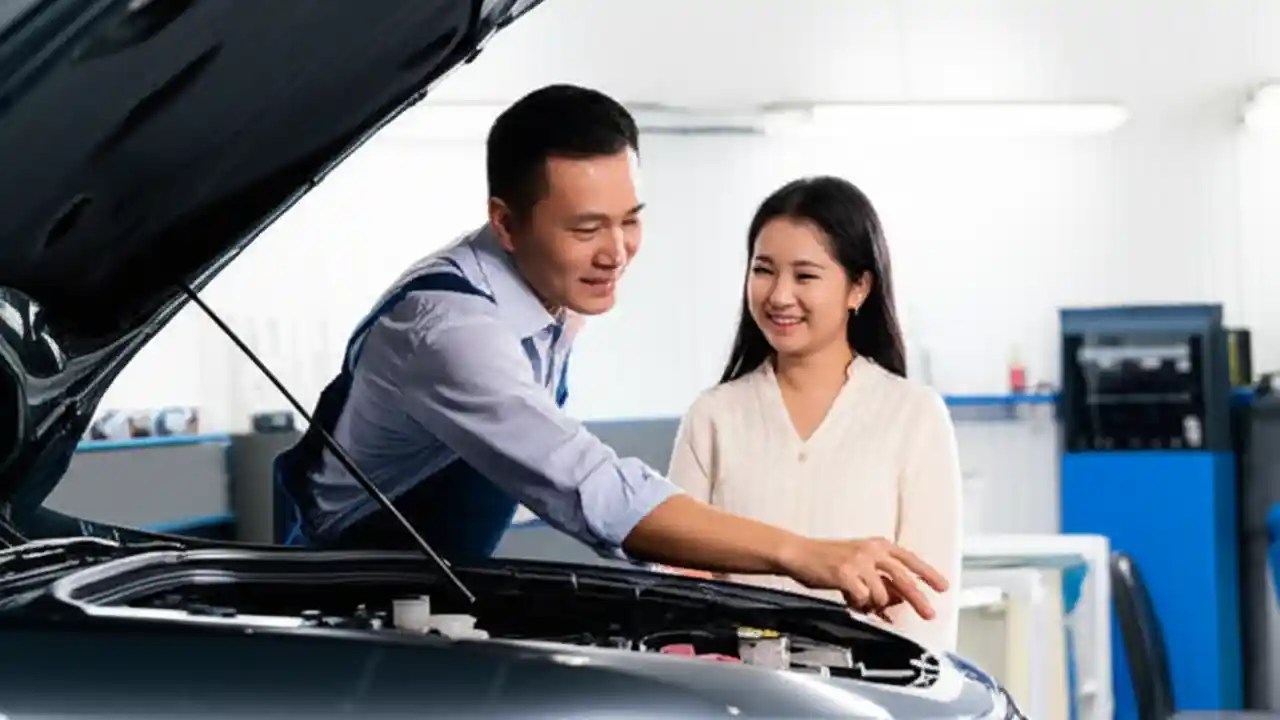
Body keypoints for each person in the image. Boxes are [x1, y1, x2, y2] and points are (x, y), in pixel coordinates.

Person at [273, 83, 948, 619]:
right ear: (505, 223)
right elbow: (590, 487)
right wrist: (800, 554)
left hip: (429, 577)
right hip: (342, 589)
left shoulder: (551, 284)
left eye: (631, 220)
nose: (616, 252)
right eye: (587, 228)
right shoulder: (452, 335)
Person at [666, 176, 963, 649]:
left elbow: (927, 608)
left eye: (805, 276)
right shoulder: (712, 417)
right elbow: (677, 585)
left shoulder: (913, 415)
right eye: (763, 270)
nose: (779, 295)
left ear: (858, 288)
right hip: (734, 693)